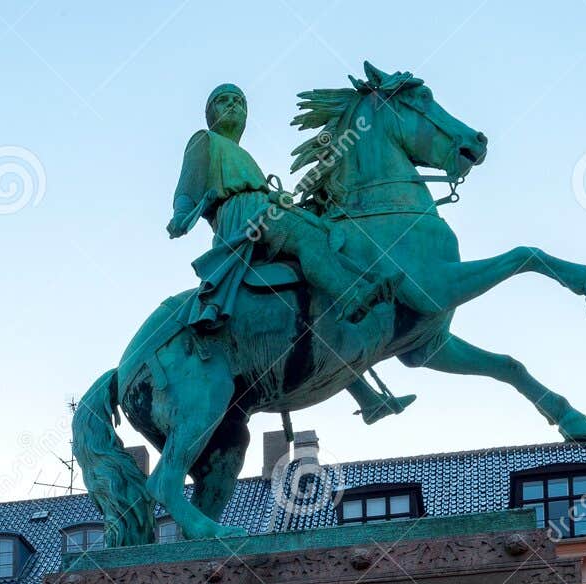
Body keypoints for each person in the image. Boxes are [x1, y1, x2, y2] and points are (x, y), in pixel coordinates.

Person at [168, 84, 412, 423]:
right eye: (224, 101)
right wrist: (181, 214)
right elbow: (187, 188)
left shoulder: (242, 154)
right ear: (210, 113)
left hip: (264, 211)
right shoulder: (204, 141)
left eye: (239, 101)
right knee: (310, 238)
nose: (233, 106)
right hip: (242, 217)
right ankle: (353, 297)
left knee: (320, 256)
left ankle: (369, 399)